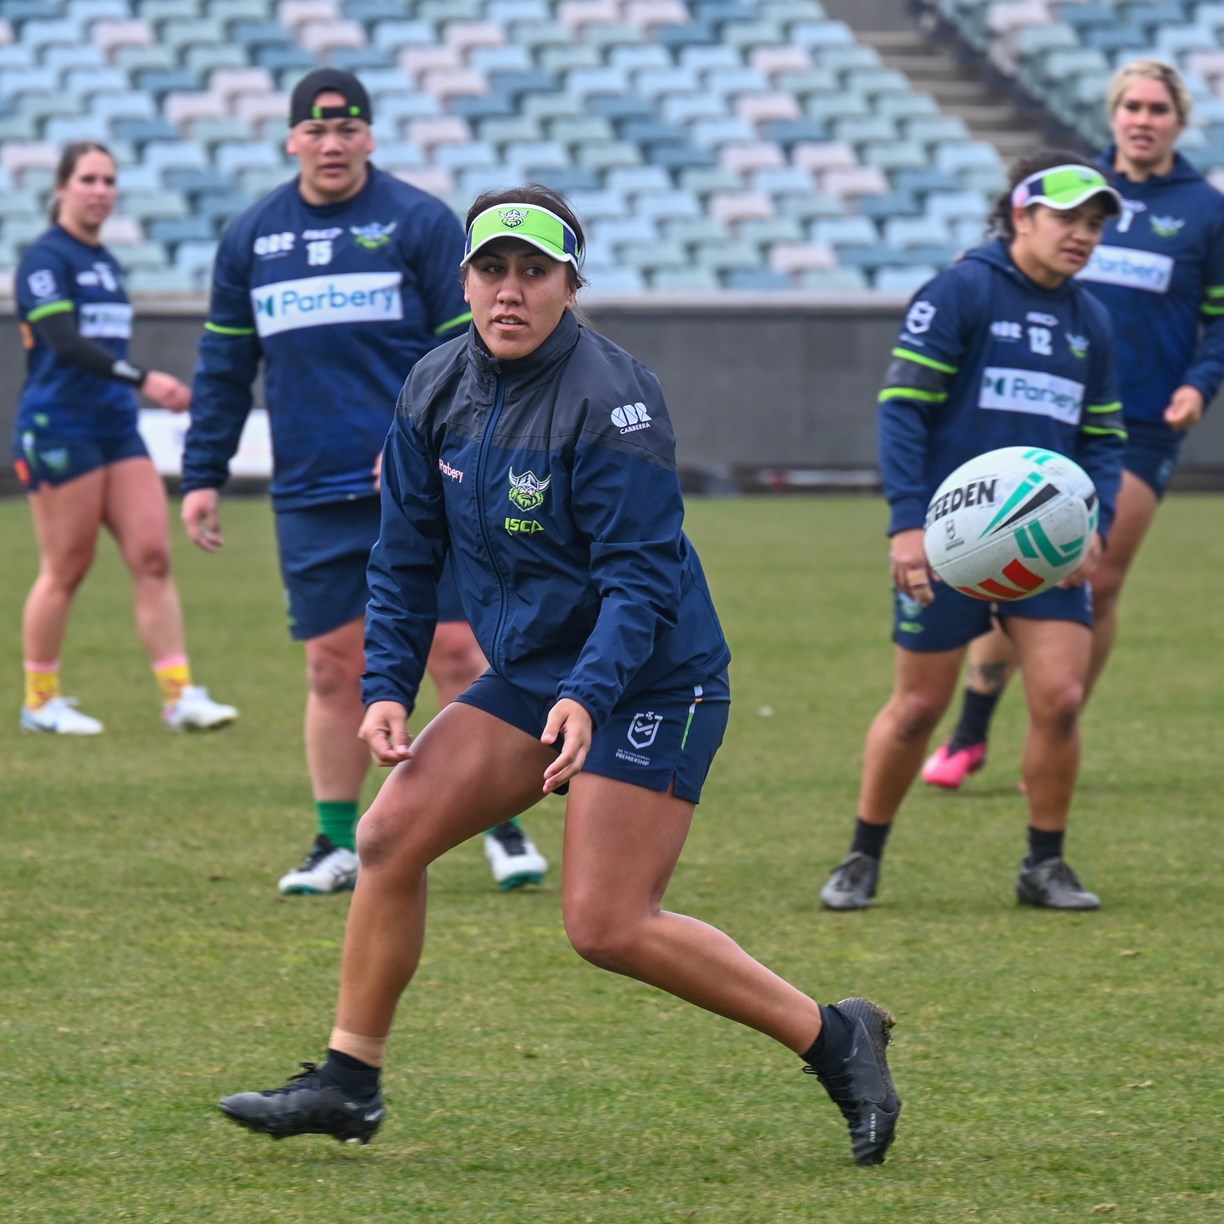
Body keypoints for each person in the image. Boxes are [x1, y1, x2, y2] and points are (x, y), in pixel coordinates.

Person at [215, 185, 901, 1165]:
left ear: (570, 286)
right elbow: (404, 556)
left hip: (654, 677)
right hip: (539, 673)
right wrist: (387, 687)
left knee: (607, 925)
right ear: (464, 281)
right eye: (492, 269)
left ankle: (836, 1038)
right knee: (389, 836)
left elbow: (639, 580)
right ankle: (349, 1081)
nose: (511, 290)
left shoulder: (615, 399)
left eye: (535, 272)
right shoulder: (432, 386)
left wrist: (588, 694)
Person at [180, 69, 547, 895]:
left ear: (370, 137)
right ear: (292, 139)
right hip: (312, 492)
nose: (332, 143)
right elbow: (224, 367)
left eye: (347, 129)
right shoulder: (253, 238)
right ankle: (336, 842)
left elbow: (472, 354)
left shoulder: (419, 222)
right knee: (331, 666)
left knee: (459, 652)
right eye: (315, 130)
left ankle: (502, 824)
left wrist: (426, 441)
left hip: (429, 485)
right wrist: (203, 472)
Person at [820, 153, 1127, 912]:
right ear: (1022, 215)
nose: (1083, 235)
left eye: (1095, 224)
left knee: (1061, 700)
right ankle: (862, 856)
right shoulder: (961, 290)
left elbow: (1104, 439)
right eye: (1068, 218)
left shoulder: (1092, 320)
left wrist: (1097, 523)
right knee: (918, 708)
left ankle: (1044, 865)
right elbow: (903, 409)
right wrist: (906, 526)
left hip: (1048, 549)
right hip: (951, 543)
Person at [922, 60, 1224, 792]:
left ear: (1180, 122)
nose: (1143, 119)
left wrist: (1199, 384)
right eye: (1132, 106)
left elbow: (1220, 318)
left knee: (1096, 573)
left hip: (1141, 420)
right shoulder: (1078, 191)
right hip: (1045, 411)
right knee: (1009, 559)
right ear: (1113, 114)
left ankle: (1055, 728)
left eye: (1157, 108)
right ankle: (972, 730)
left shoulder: (1205, 210)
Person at [11, 141, 237, 736]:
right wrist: (145, 380)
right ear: (62, 188)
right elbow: (65, 343)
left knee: (153, 555)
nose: (100, 191)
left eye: (109, 180)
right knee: (66, 565)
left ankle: (179, 697)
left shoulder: (106, 262)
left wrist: (131, 389)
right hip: (60, 425)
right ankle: (40, 702)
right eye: (88, 179)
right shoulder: (46, 258)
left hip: (115, 426)